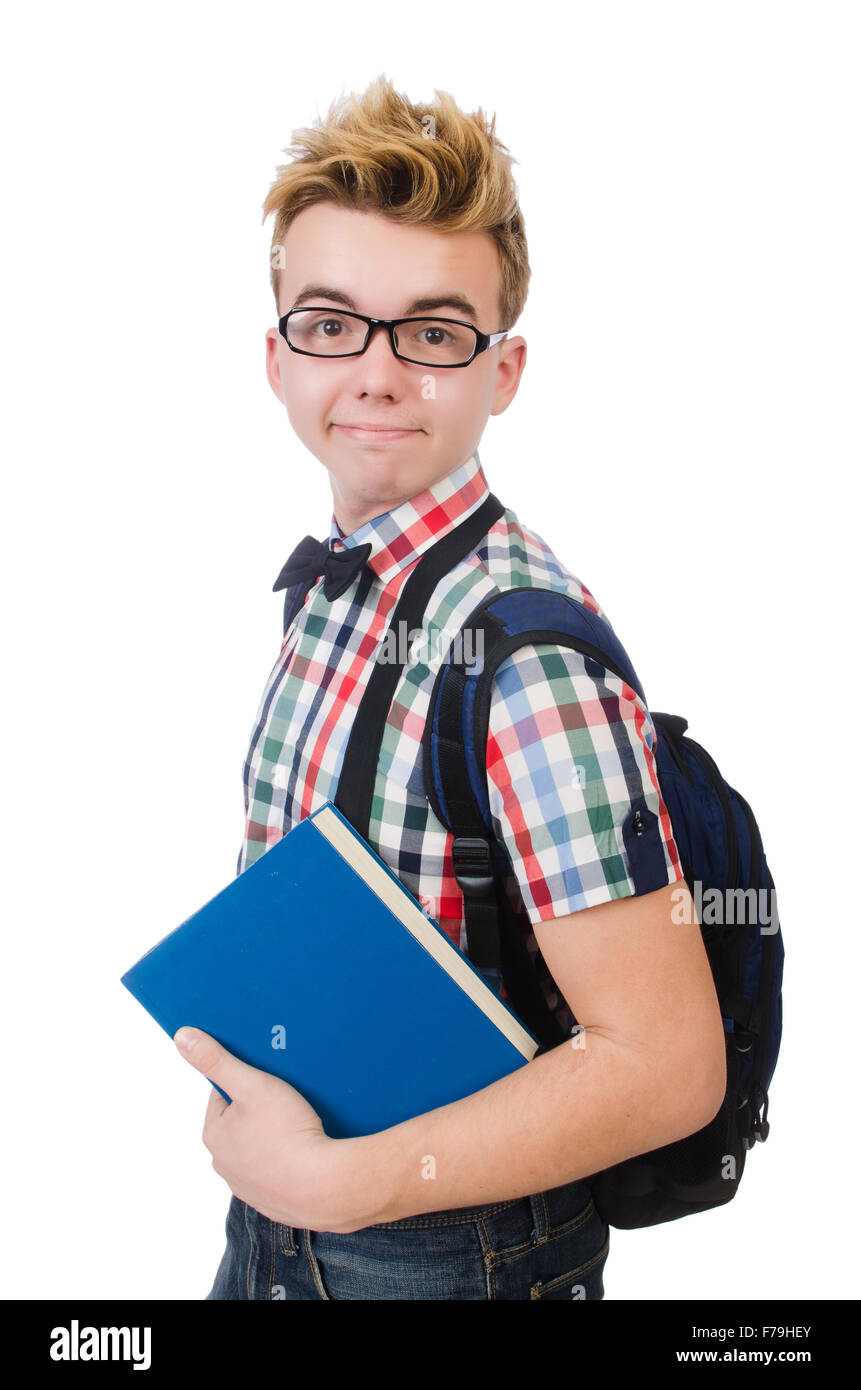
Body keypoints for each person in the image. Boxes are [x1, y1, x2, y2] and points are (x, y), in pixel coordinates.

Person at [177, 73, 726, 1301]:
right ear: (278, 357)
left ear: (505, 369)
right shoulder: (338, 582)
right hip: (285, 1221)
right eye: (331, 323)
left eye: (431, 333)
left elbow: (665, 1064)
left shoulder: (526, 658)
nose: (375, 373)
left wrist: (349, 1185)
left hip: (443, 1255)